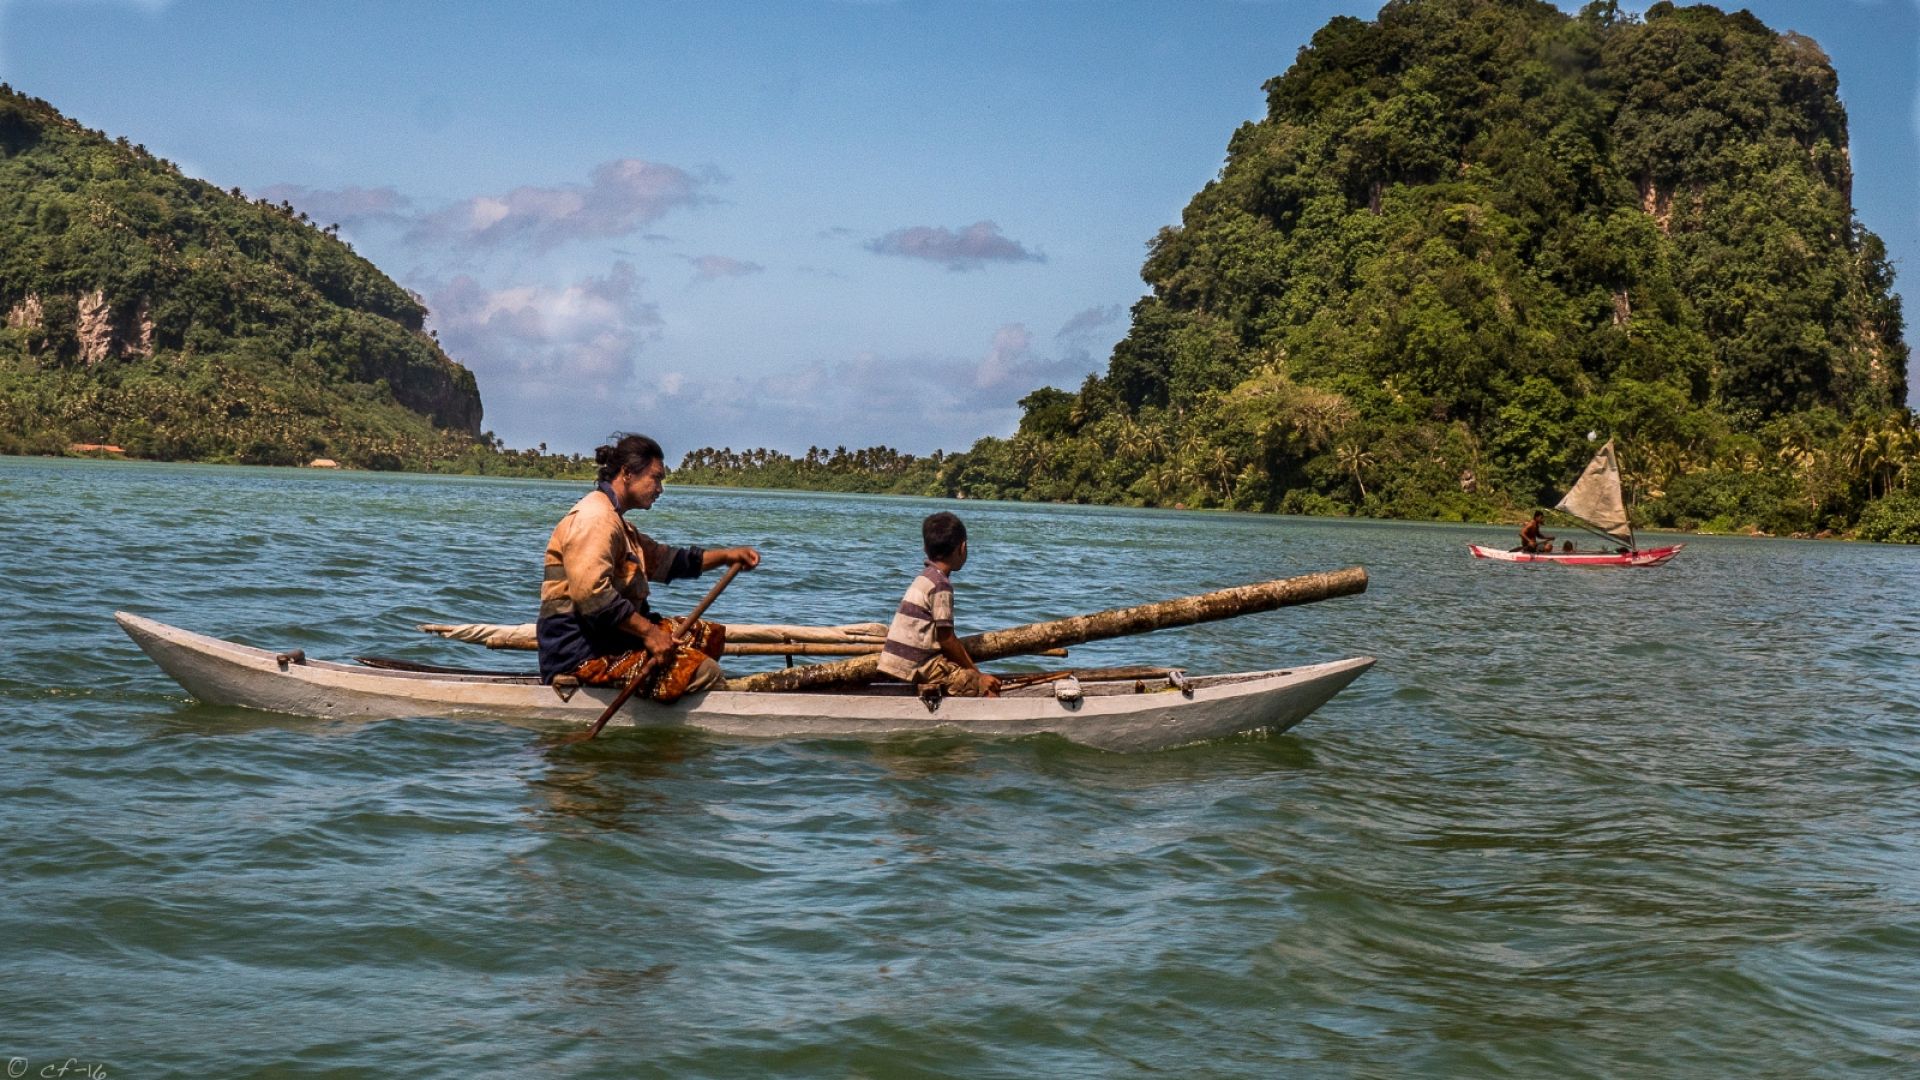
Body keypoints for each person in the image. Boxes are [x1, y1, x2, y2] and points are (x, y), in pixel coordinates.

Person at [537, 433, 760, 699]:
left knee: (705, 635)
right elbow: (593, 596)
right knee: (705, 671)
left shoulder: (619, 524)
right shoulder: (595, 519)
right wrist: (651, 634)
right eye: (656, 478)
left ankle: (668, 696)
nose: (660, 489)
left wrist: (726, 557)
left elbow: (669, 561)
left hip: (611, 639)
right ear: (628, 473)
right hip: (581, 653)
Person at [877, 511, 1000, 698]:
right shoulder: (940, 584)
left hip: (899, 660)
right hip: (919, 664)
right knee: (985, 687)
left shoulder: (925, 576)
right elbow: (946, 638)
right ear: (963, 548)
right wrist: (978, 675)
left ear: (926, 549)